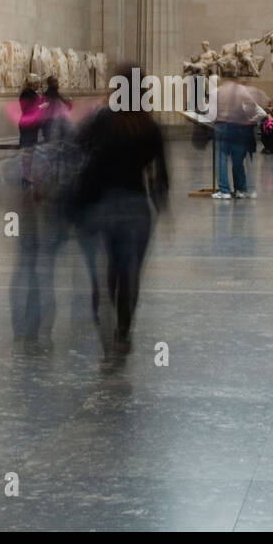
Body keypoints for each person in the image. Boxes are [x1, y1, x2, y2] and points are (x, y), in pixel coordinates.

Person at [73, 61, 169, 357]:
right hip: (137, 208)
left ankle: (108, 333)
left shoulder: (104, 121)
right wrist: (163, 208)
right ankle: (123, 333)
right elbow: (160, 177)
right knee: (131, 274)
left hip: (104, 204)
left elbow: (78, 144)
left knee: (110, 272)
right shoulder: (150, 126)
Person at [208, 77, 264, 199]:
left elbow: (211, 114)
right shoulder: (241, 90)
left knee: (222, 158)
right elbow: (252, 105)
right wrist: (246, 118)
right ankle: (241, 189)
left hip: (221, 126)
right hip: (239, 127)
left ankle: (224, 190)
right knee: (238, 159)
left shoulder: (217, 91)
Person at [40, 76, 72, 141]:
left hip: (57, 125)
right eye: (55, 81)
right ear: (50, 83)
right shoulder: (48, 95)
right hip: (51, 126)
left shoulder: (56, 94)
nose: (57, 83)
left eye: (57, 81)